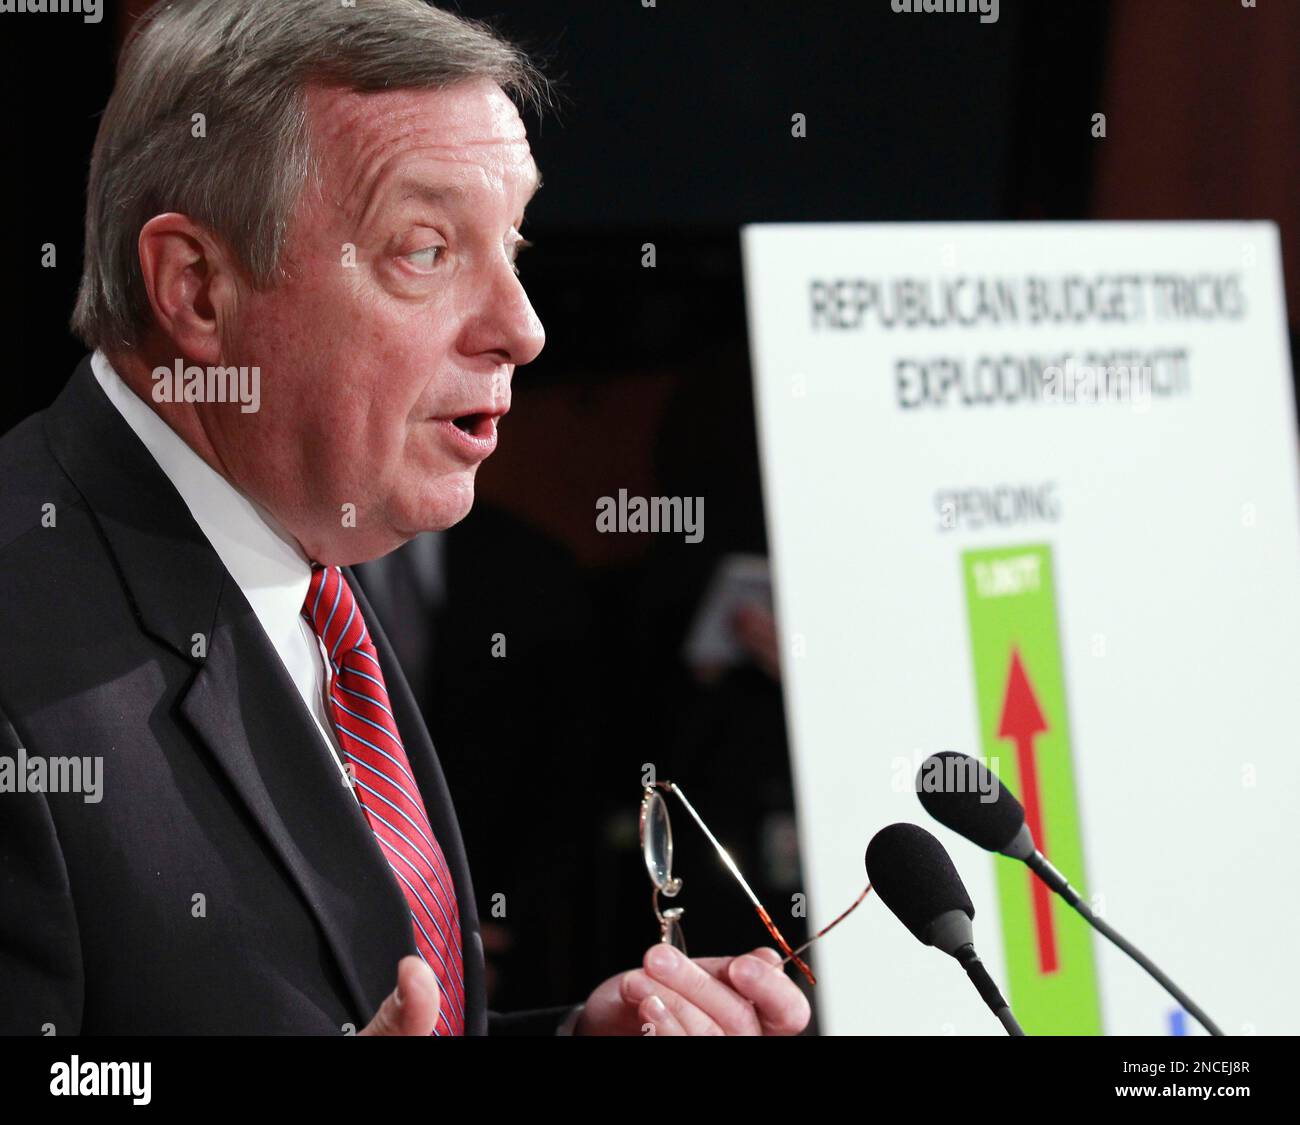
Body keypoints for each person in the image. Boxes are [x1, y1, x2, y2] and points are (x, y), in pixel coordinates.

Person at [0, 0, 810, 1037]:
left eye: (511, 243)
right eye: (426, 251)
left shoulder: (303, 546)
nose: (522, 329)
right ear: (198, 292)